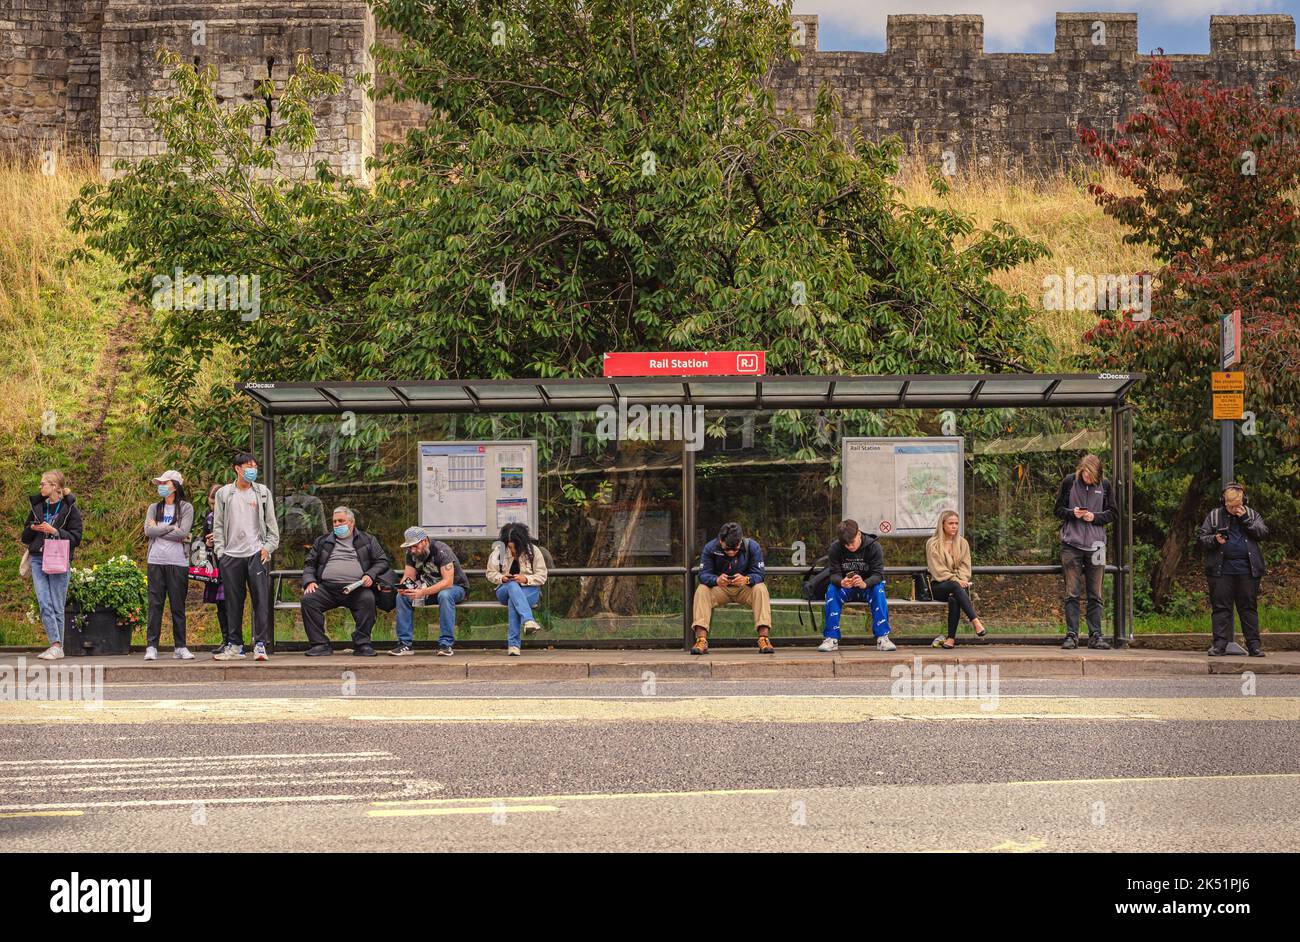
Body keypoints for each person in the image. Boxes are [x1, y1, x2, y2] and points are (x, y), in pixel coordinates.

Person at [211, 452, 279, 661]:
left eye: (255, 466)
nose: (253, 470)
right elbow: (218, 525)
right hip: (231, 555)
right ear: (237, 469)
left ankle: (260, 644)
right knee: (233, 602)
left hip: (255, 553)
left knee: (260, 600)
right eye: (248, 466)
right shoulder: (224, 493)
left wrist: (268, 547)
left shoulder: (262, 493)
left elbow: (271, 526)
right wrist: (221, 552)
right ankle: (235, 646)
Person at [300, 506, 390, 657]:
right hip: (327, 588)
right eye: (334, 521)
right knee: (308, 600)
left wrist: (370, 575)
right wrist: (309, 581)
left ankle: (362, 644)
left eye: (341, 521)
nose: (337, 524)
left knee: (368, 600)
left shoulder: (367, 540)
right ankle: (320, 645)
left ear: (351, 522)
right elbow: (309, 564)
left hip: (357, 588)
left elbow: (382, 561)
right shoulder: (322, 541)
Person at [1196, 483, 1269, 657]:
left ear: (1244, 500)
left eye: (1238, 505)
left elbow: (1263, 533)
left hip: (1247, 570)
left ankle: (1254, 646)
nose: (1235, 509)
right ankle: (1219, 645)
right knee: (1221, 608)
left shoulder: (1251, 514)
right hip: (1221, 570)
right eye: (1231, 506)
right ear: (1224, 502)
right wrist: (1215, 539)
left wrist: (1246, 520)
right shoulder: (1214, 516)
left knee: (1248, 608)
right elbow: (1201, 539)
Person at [1053, 453, 1116, 650]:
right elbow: (1057, 510)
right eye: (1086, 475)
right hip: (1072, 545)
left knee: (1095, 593)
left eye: (1091, 477)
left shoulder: (1105, 485)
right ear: (1081, 470)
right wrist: (1073, 513)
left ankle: (1095, 635)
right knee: (1072, 592)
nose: (1088, 479)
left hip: (1097, 546)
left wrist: (1094, 517)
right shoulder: (1070, 482)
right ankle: (1072, 635)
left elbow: (1113, 513)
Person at [21, 470, 83, 660]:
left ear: (54, 487)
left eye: (43, 484)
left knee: (56, 604)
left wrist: (54, 531)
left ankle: (57, 647)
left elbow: (76, 537)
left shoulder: (70, 508)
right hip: (38, 558)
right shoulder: (37, 506)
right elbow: (24, 537)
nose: (40, 487)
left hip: (58, 558)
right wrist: (32, 528)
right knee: (44, 603)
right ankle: (55, 645)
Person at [690, 522, 774, 655]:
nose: (730, 552)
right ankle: (701, 640)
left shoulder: (752, 546)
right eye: (727, 549)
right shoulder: (710, 548)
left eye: (735, 549)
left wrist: (746, 579)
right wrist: (715, 580)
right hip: (720, 588)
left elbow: (760, 574)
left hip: (744, 588)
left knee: (761, 588)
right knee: (702, 590)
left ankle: (764, 638)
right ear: (720, 540)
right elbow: (703, 574)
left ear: (741, 541)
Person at [819, 519, 896, 652]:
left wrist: (865, 583)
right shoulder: (835, 548)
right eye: (845, 544)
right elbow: (833, 574)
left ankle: (882, 637)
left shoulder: (874, 546)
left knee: (879, 590)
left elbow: (878, 575)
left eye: (852, 542)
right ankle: (831, 638)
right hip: (846, 588)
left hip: (867, 587)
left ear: (859, 534)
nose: (849, 546)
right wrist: (841, 582)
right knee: (832, 590)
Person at [143, 471, 194, 660]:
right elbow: (148, 531)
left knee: (177, 606)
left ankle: (180, 646)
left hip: (178, 562)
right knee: (155, 604)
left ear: (175, 485)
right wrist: (170, 527)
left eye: (165, 482)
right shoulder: (154, 507)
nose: (161, 485)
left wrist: (159, 529)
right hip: (156, 560)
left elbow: (183, 533)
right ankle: (151, 646)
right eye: (160, 482)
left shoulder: (186, 508)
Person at [394, 526, 469, 656]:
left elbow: (448, 582)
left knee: (444, 595)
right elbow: (409, 576)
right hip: (427, 588)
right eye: (409, 547)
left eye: (415, 546)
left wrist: (422, 592)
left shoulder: (441, 550)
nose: (412, 550)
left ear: (425, 540)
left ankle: (446, 644)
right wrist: (404, 588)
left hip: (455, 588)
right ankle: (404, 644)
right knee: (402, 597)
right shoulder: (410, 553)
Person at [925, 510, 986, 649]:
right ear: (943, 524)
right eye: (951, 523)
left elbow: (966, 566)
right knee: (955, 586)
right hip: (938, 586)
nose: (954, 526)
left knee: (954, 597)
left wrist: (960, 580)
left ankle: (950, 639)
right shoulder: (932, 543)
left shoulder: (963, 543)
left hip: (958, 586)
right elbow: (937, 569)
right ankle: (975, 621)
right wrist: (956, 580)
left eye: (956, 523)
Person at [485, 523, 549, 656]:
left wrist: (526, 579)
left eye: (515, 547)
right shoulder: (499, 551)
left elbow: (542, 576)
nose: (512, 550)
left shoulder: (533, 551)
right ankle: (528, 620)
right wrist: (502, 578)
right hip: (504, 590)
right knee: (512, 585)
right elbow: (490, 573)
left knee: (513, 602)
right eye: (509, 547)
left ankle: (514, 646)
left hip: (530, 591)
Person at [200, 483, 230, 654]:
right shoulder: (210, 518)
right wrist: (208, 542)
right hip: (214, 566)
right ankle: (225, 639)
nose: (212, 507)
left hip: (229, 563)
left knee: (230, 603)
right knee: (220, 604)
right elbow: (203, 541)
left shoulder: (232, 516)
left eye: (215, 503)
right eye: (210, 504)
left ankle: (234, 639)